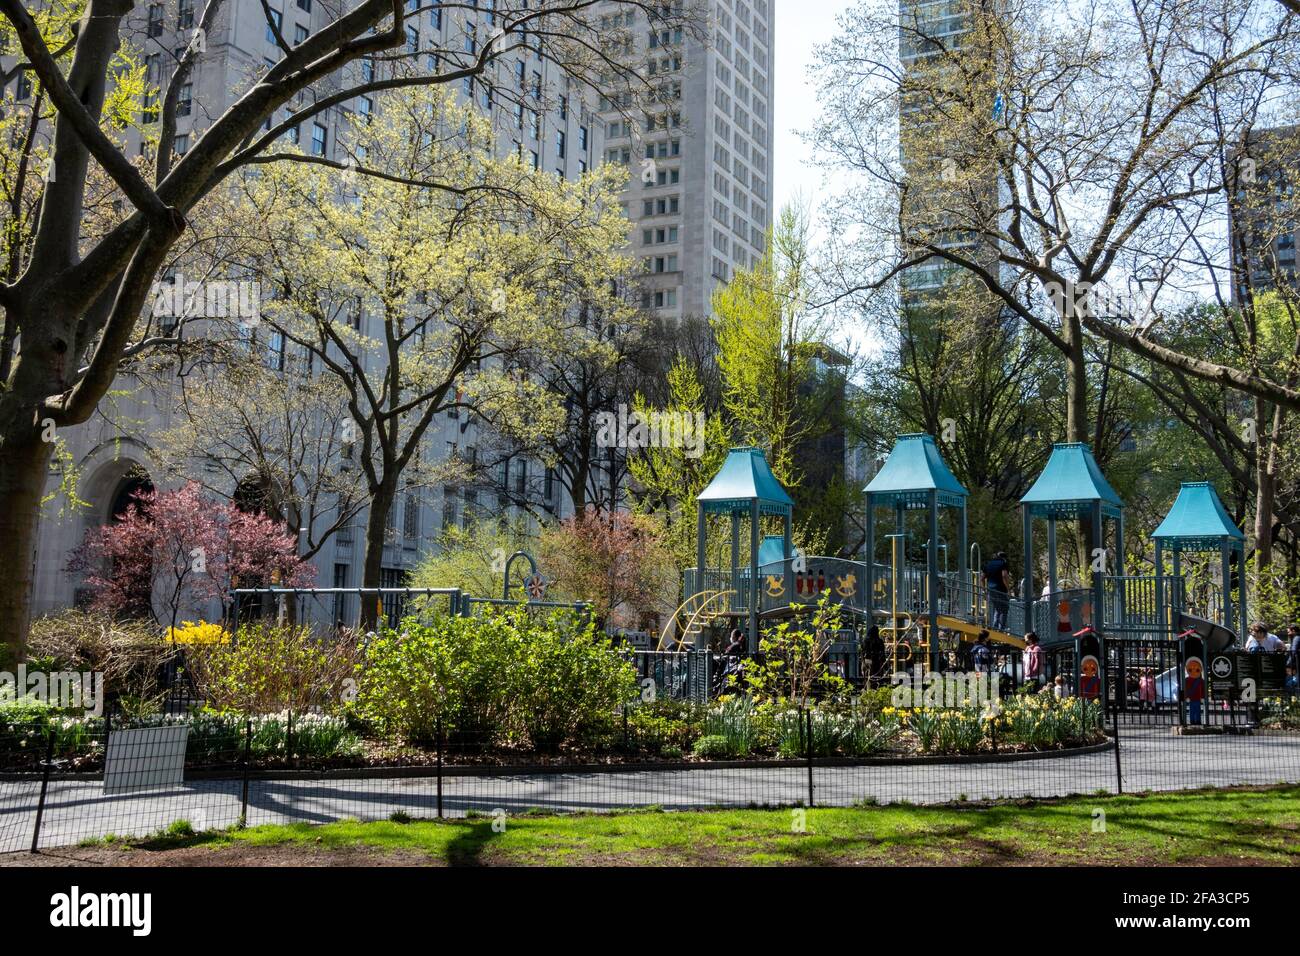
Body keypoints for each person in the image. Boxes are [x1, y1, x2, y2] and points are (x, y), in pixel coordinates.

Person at [983, 551, 1012, 631]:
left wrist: (984, 590)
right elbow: (1004, 576)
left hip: (990, 590)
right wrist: (1008, 590)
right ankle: (1001, 630)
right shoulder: (1003, 563)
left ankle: (994, 627)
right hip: (1001, 590)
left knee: (997, 609)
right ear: (1004, 558)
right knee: (1004, 609)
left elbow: (982, 578)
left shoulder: (988, 564)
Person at [859, 624, 887, 688]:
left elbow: (861, 651)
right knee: (874, 678)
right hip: (876, 661)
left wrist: (862, 660)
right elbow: (882, 652)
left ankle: (867, 691)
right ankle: (873, 692)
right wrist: (884, 663)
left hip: (865, 660)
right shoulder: (879, 641)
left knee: (866, 678)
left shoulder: (865, 640)